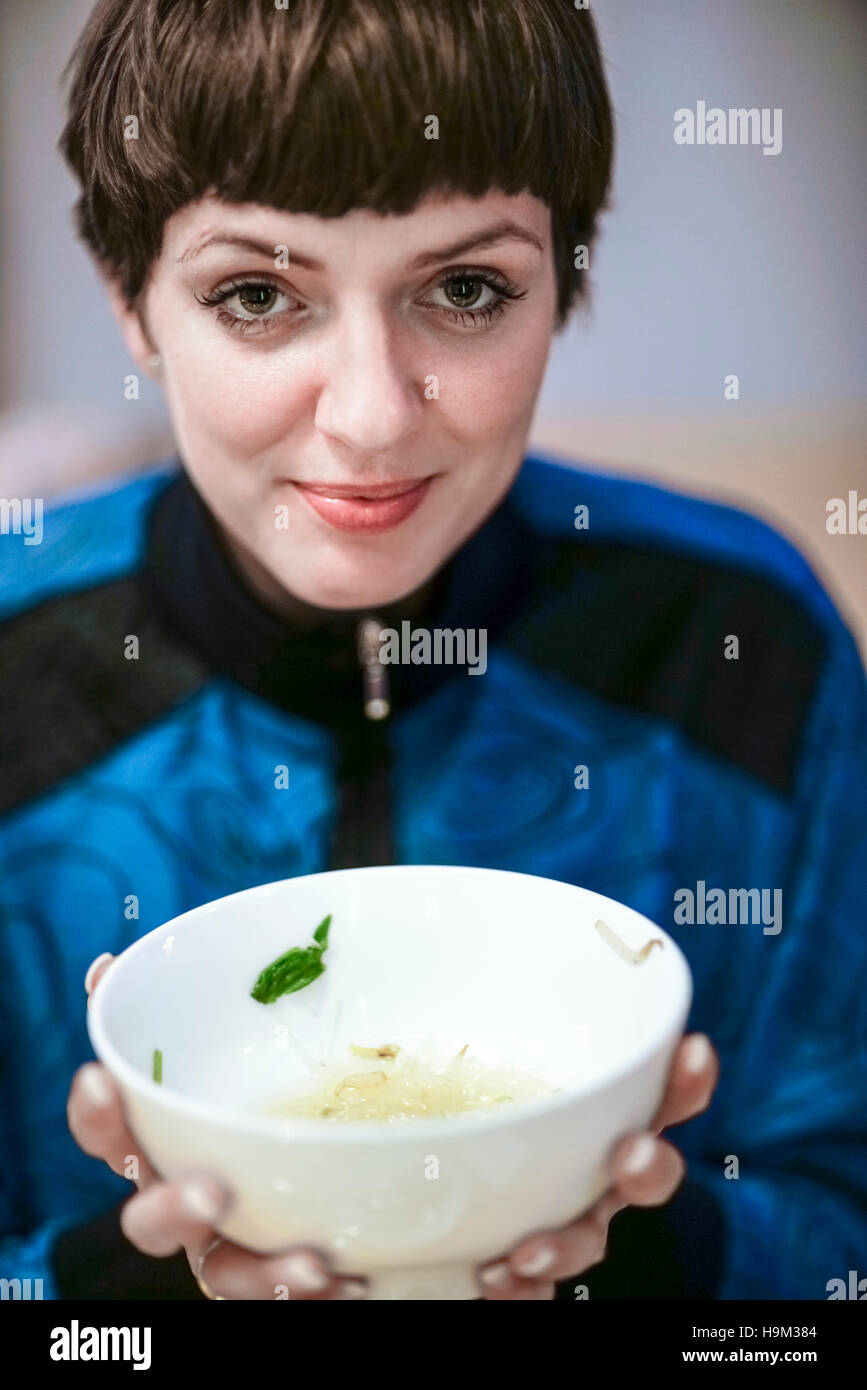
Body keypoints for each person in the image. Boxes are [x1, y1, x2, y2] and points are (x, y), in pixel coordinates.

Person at [1, 0, 864, 1302]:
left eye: (466, 289)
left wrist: (647, 1249)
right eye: (256, 294)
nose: (368, 416)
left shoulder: (743, 640)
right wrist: (116, 1296)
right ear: (131, 300)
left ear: (565, 279)